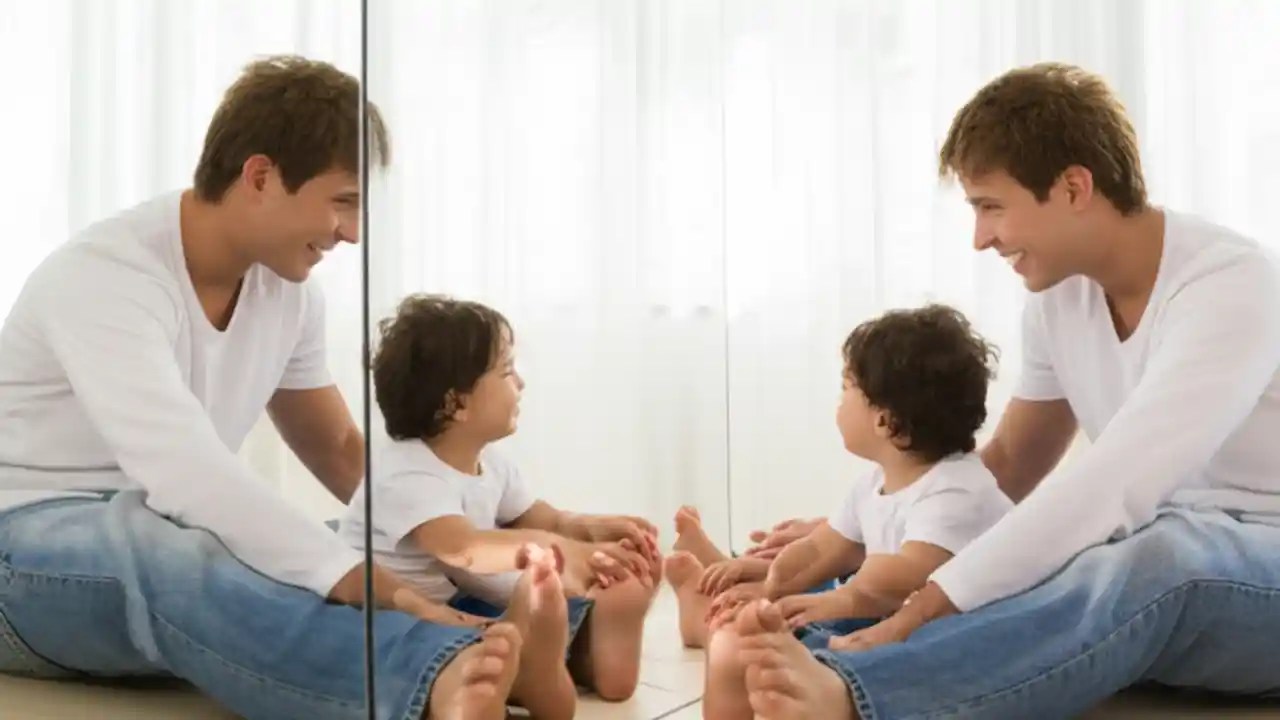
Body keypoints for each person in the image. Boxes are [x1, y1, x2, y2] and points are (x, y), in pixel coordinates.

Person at [705, 61, 1280, 720]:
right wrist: (877, 527)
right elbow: (1007, 466)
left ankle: (858, 692)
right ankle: (822, 641)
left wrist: (932, 598)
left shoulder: (1230, 285)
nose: (981, 238)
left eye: (990, 207)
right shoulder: (1060, 298)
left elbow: (1118, 484)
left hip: (1254, 563)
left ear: (1072, 188)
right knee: (1043, 548)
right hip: (1160, 554)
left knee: (1150, 550)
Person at [0, 55, 524, 720]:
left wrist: (467, 529)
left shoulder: (288, 293)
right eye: (343, 202)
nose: (353, 233)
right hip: (21, 549)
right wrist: (374, 588)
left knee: (333, 539)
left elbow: (337, 447)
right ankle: (426, 671)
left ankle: (558, 629)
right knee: (199, 546)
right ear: (260, 175)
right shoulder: (106, 277)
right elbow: (186, 476)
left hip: (166, 522)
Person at [339, 294, 664, 719]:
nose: (521, 384)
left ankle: (588, 646)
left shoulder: (488, 461)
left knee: (522, 610)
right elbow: (462, 548)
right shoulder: (406, 472)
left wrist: (585, 528)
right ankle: (533, 665)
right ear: (456, 404)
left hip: (457, 603)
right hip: (392, 611)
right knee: (472, 636)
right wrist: (560, 556)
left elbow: (537, 517)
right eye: (508, 371)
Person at [666, 305, 1011, 656]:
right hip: (891, 613)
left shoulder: (956, 490)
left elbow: (905, 576)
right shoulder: (873, 485)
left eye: (846, 387)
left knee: (811, 635)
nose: (839, 402)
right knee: (792, 611)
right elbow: (821, 549)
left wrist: (833, 601)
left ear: (885, 421)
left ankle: (720, 627)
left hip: (963, 637)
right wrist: (771, 587)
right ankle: (715, 614)